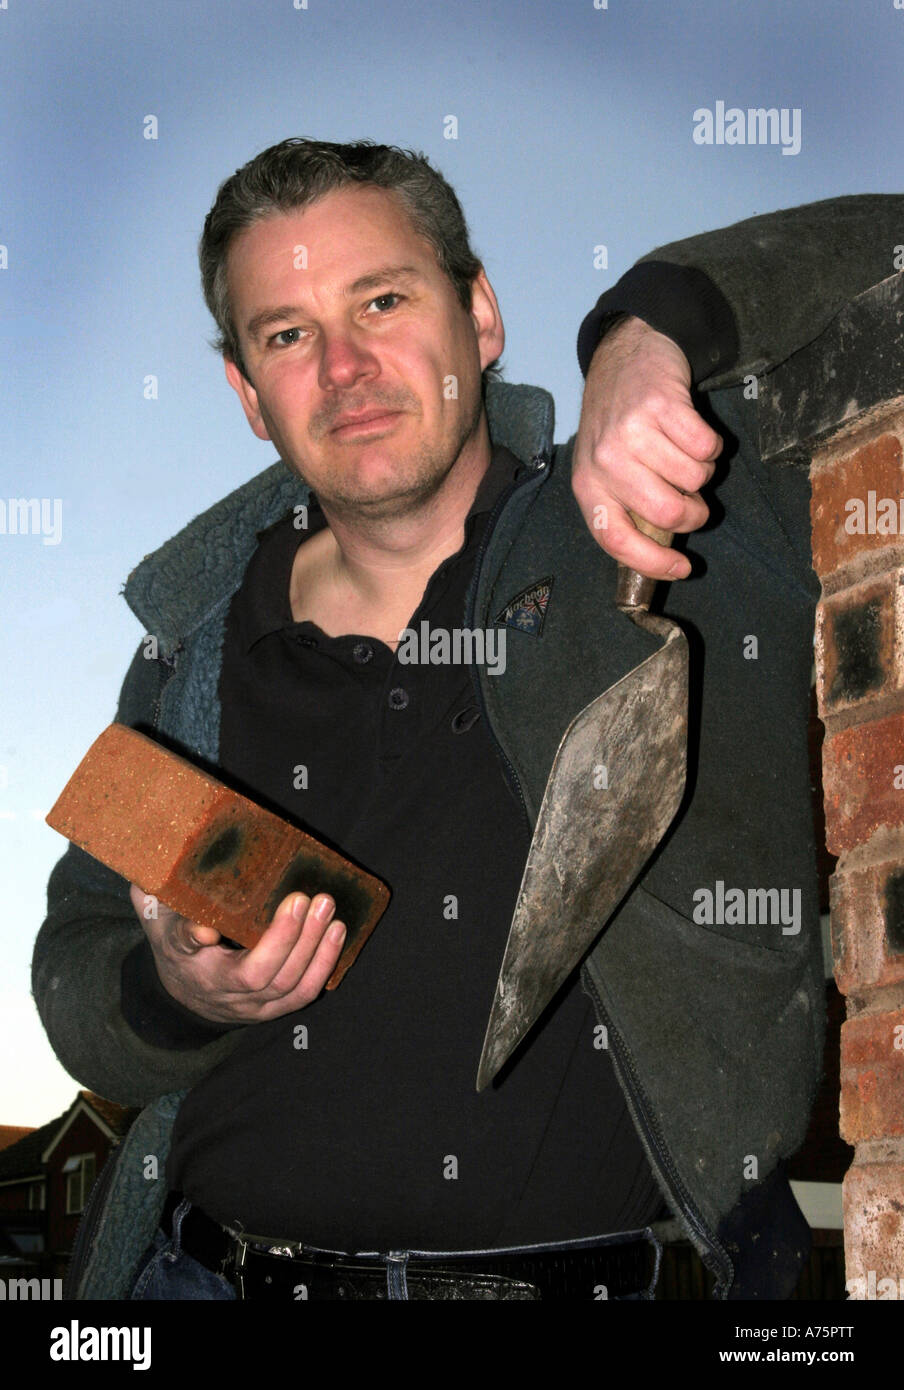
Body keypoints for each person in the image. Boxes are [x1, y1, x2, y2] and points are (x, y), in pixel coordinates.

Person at [33, 138, 904, 1300]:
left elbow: (879, 244)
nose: (344, 366)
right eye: (286, 334)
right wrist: (175, 992)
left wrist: (647, 331)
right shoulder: (189, 643)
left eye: (382, 299)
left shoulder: (676, 510)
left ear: (481, 316)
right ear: (248, 395)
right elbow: (75, 975)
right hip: (199, 1278)